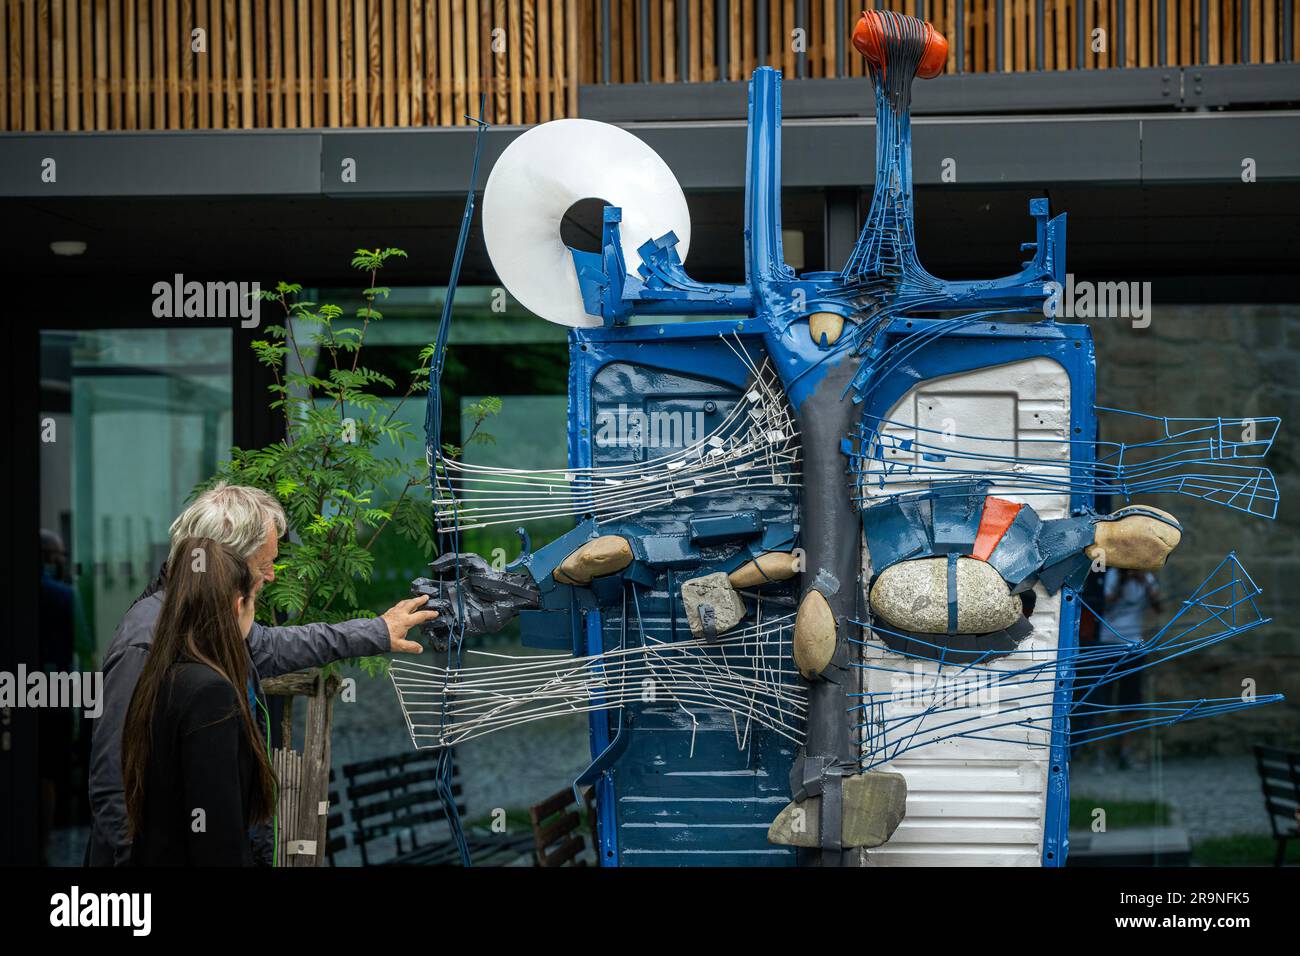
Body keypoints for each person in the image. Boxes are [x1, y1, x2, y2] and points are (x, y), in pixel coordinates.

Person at [87, 483, 437, 866]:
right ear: (226, 562)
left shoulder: (206, 622)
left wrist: (378, 631)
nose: (271, 576)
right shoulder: (145, 643)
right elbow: (112, 789)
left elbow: (275, 646)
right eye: (264, 564)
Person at [122, 538, 274, 865]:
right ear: (238, 605)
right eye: (254, 601)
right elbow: (217, 841)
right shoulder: (210, 694)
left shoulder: (161, 676)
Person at [1100, 566, 1162, 769]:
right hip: (1107, 645)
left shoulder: (1146, 577)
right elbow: (1106, 603)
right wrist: (1122, 582)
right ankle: (1100, 753)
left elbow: (1159, 606)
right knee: (1101, 701)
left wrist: (1144, 581)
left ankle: (1125, 752)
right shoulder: (1111, 575)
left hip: (1133, 645)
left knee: (1130, 703)